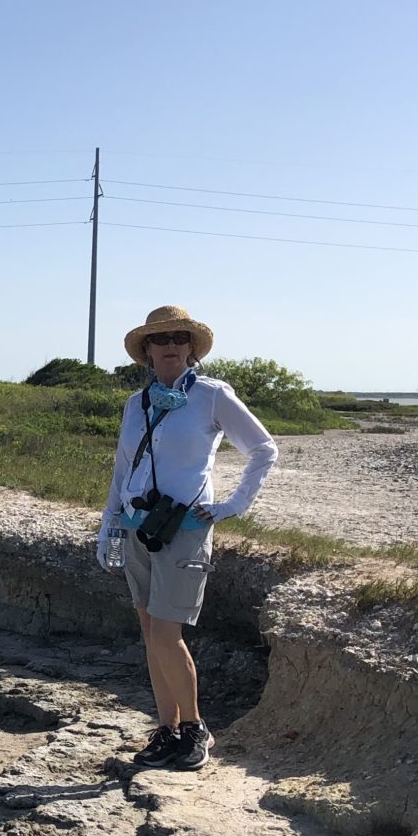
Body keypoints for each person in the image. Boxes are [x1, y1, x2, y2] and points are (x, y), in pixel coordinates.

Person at [95, 305, 277, 771]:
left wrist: (232, 505)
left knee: (167, 632)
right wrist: (109, 524)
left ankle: (195, 729)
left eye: (180, 337)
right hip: (139, 527)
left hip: (184, 529)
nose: (171, 345)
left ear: (192, 348)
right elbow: (122, 468)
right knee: (149, 632)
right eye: (161, 339)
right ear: (147, 351)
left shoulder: (212, 396)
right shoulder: (136, 404)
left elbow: (263, 448)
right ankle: (167, 729)